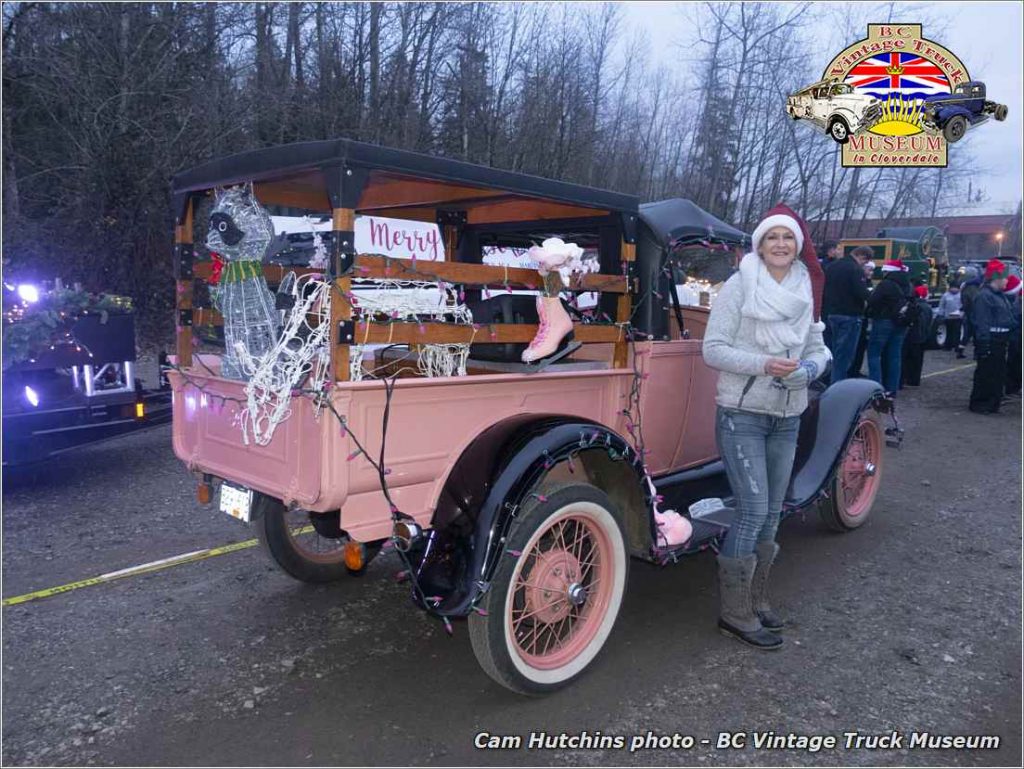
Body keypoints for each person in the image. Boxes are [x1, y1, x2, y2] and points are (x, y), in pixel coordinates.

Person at [702, 205, 830, 651]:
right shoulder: (741, 285)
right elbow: (713, 349)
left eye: (788, 238)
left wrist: (810, 367)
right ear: (760, 243)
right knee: (753, 510)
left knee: (774, 512)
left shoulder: (803, 288)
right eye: (772, 237)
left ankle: (756, 602)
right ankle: (734, 614)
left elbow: (818, 345)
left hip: (788, 413)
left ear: (797, 246)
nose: (780, 244)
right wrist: (764, 364)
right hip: (743, 414)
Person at [968, 259, 1014, 414]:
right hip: (991, 339)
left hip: (1000, 339)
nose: (1008, 280)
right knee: (986, 373)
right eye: (1005, 277)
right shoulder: (985, 297)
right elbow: (982, 321)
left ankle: (993, 402)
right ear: (997, 278)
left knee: (997, 373)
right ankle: (981, 402)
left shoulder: (1000, 296)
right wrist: (984, 344)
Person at [823, 245, 872, 384]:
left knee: (833, 352)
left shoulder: (831, 267)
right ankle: (837, 387)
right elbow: (861, 293)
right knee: (844, 357)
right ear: (861, 256)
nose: (864, 265)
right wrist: (872, 296)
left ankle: (829, 381)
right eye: (865, 262)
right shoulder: (855, 269)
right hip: (850, 315)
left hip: (832, 313)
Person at [866, 259, 912, 395]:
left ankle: (875, 388)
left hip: (883, 320)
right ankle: (892, 389)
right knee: (894, 355)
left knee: (874, 354)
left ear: (888, 271)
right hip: (901, 322)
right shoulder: (908, 284)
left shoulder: (886, 284)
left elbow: (873, 300)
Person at [900, 285, 933, 387]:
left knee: (905, 358)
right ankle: (914, 380)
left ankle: (903, 378)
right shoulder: (927, 307)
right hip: (920, 336)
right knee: (917, 360)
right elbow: (928, 323)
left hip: (909, 336)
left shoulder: (911, 305)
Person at [848, 260, 875, 377]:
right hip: (858, 315)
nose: (871, 273)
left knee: (860, 346)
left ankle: (856, 370)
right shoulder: (860, 282)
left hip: (863, 317)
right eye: (869, 269)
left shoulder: (869, 283)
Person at [936, 281, 965, 358]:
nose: (954, 289)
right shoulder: (945, 295)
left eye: (956, 288)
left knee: (957, 332)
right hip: (948, 317)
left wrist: (962, 313)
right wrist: (940, 315)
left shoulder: (961, 296)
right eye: (953, 287)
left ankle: (956, 346)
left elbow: (963, 306)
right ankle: (947, 346)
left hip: (958, 317)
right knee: (949, 332)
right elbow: (941, 306)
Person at [1004, 274, 1022, 399]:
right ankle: (1012, 387)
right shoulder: (1015, 304)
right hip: (1016, 337)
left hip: (1016, 336)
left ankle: (1013, 387)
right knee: (1015, 362)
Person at [960, 266, 983, 349]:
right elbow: (975, 300)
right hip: (974, 313)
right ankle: (976, 352)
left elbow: (964, 301)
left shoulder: (964, 287)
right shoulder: (974, 288)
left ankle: (960, 349)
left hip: (968, 312)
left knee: (967, 333)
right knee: (975, 332)